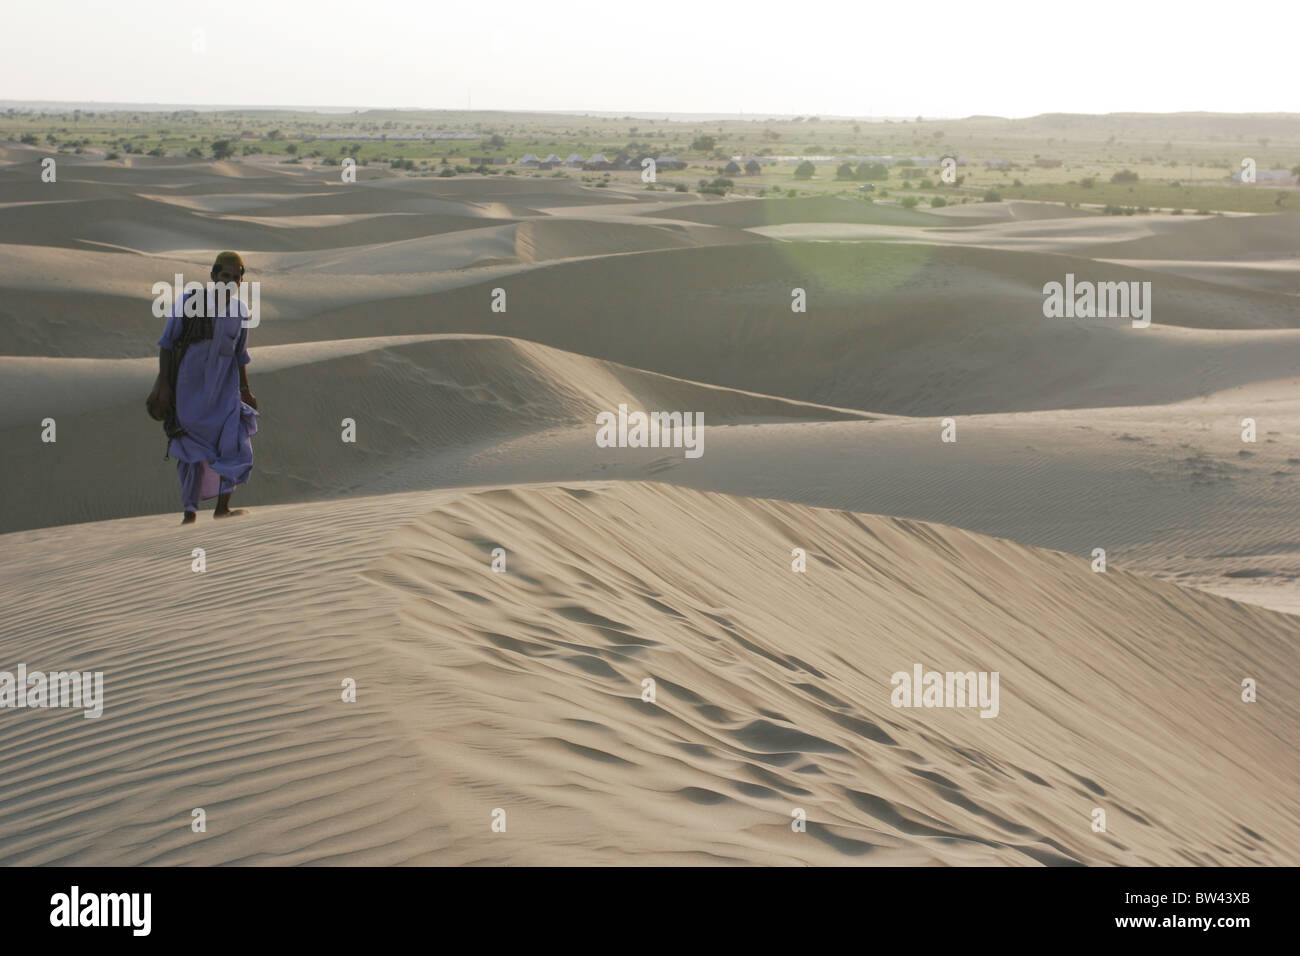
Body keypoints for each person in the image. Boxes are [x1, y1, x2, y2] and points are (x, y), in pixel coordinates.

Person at [146, 251, 260, 523]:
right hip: (189, 390)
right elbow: (167, 343)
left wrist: (245, 389)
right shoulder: (190, 302)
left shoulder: (240, 311)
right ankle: (190, 513)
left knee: (234, 442)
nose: (230, 282)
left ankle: (222, 509)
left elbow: (240, 354)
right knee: (191, 450)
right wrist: (164, 384)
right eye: (225, 276)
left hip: (224, 390)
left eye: (236, 277)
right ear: (213, 276)